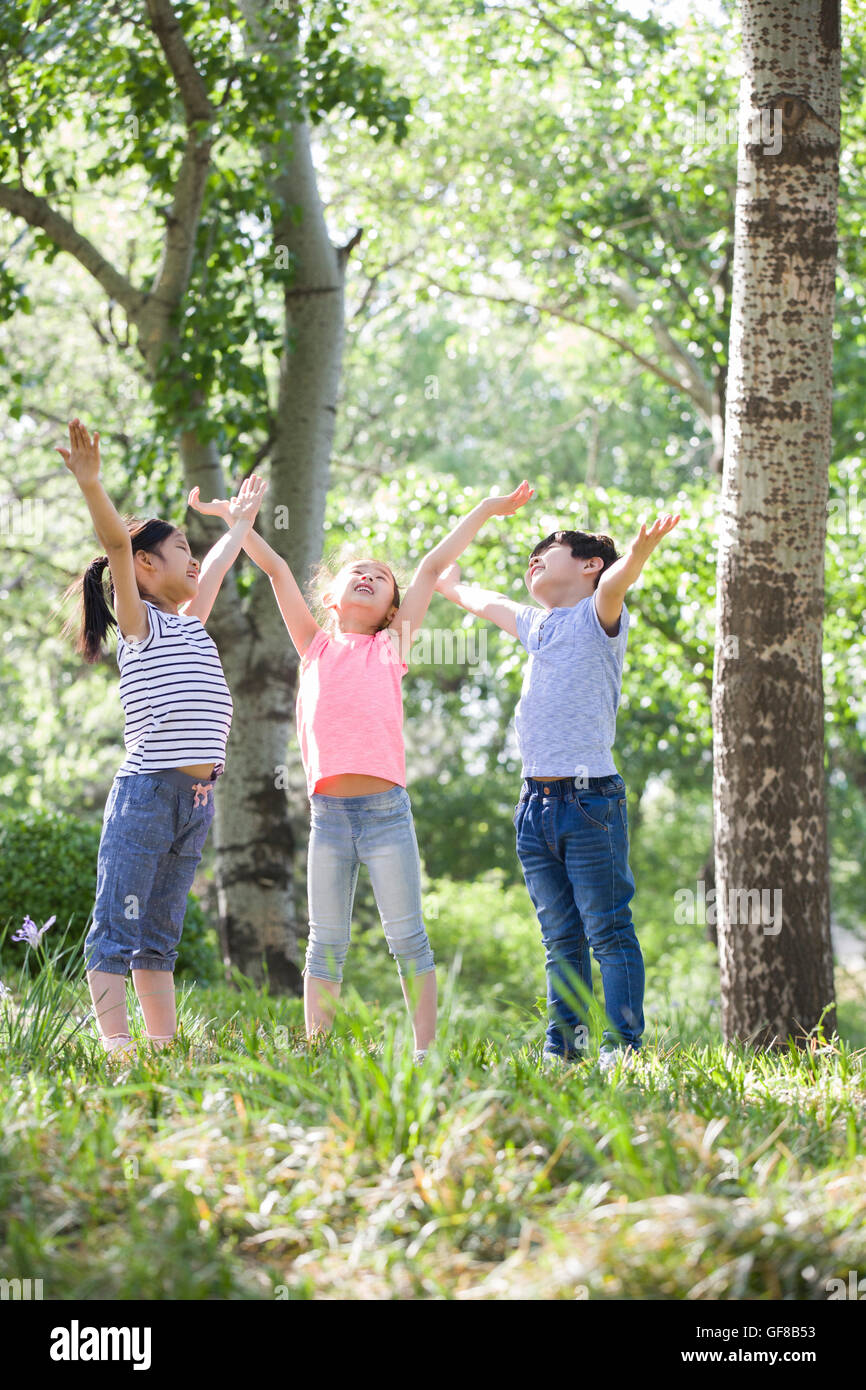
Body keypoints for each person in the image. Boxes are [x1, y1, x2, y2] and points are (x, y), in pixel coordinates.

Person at [189, 476, 535, 1060]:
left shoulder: (390, 648)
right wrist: (240, 522)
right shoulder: (315, 645)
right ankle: (317, 1049)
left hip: (385, 816)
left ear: (391, 611)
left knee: (408, 938)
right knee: (325, 943)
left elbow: (429, 568)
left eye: (381, 579)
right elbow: (275, 571)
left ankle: (427, 1051)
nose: (370, 575)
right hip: (328, 819)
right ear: (332, 597)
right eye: (359, 571)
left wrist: (483, 510)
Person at [435, 510, 680, 1071]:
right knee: (560, 938)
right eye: (530, 558)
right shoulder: (536, 624)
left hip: (590, 802)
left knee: (608, 930)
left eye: (549, 550)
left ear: (590, 566)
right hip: (533, 807)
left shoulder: (598, 614)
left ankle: (623, 1050)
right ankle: (564, 1050)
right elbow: (481, 600)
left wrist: (638, 552)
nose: (534, 560)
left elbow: (619, 583)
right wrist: (445, 581)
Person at [59, 418, 266, 1059]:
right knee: (118, 926)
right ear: (147, 566)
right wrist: (94, 487)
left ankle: (162, 1043)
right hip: (147, 794)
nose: (194, 559)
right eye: (181, 548)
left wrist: (241, 524)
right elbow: (117, 548)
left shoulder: (188, 623)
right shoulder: (141, 623)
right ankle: (117, 1045)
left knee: (159, 934)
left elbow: (223, 563)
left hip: (196, 802)